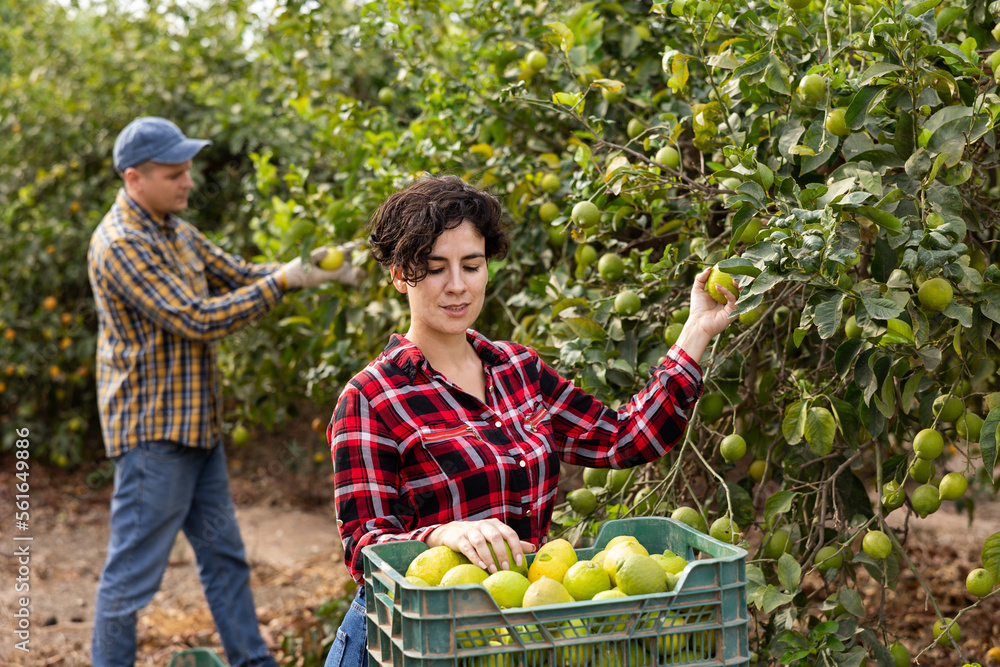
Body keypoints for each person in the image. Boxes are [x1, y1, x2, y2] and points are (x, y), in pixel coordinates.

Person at [325, 174, 737, 666]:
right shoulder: (372, 396)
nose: (457, 285)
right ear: (399, 275)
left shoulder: (519, 370)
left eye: (471, 265)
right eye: (435, 268)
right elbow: (364, 546)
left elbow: (622, 439)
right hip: (401, 643)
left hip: (510, 633)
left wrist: (696, 330)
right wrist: (441, 534)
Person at [87, 116, 362, 667]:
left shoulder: (175, 229)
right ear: (134, 178)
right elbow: (196, 319)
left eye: (188, 170)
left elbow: (236, 273)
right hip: (154, 438)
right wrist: (285, 282)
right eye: (174, 173)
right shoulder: (120, 243)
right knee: (130, 579)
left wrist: (308, 268)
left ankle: (253, 663)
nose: (188, 181)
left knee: (225, 559)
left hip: (196, 430)